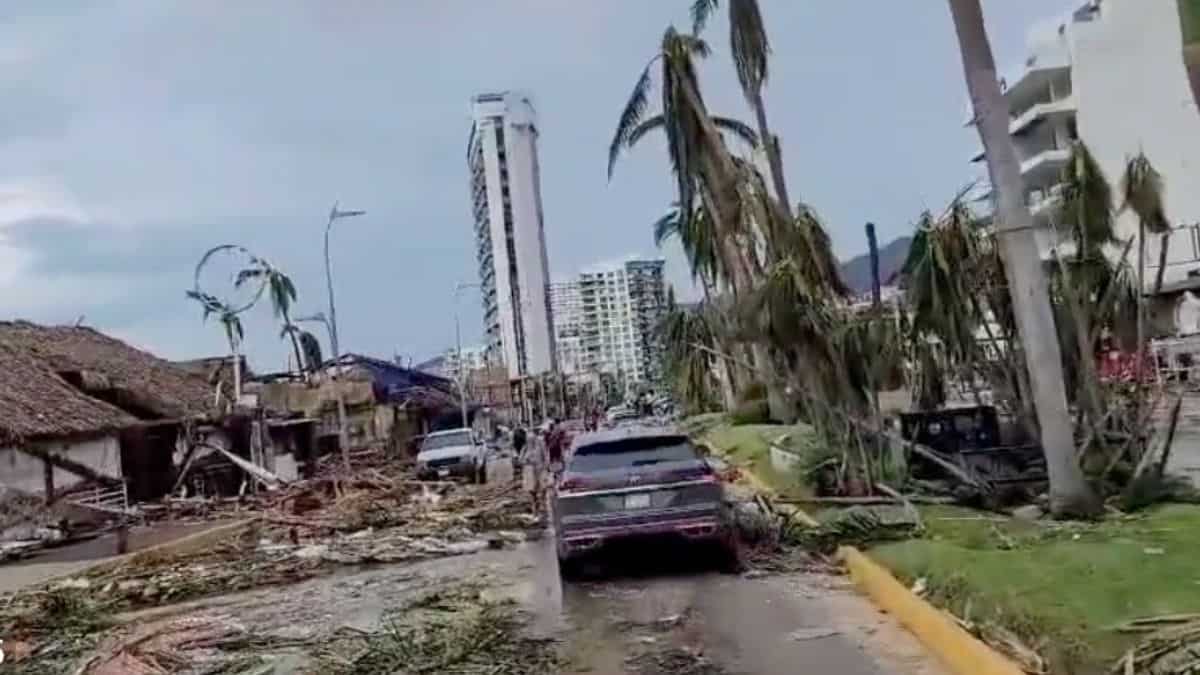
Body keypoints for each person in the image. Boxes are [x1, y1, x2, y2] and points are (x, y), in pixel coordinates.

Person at [520, 428, 548, 517]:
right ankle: (535, 510)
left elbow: (545, 456)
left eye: (532, 439)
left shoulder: (540, 445)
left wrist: (545, 467)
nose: (530, 441)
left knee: (543, 489)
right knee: (533, 493)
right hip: (530, 474)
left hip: (540, 471)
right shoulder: (525, 449)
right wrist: (527, 460)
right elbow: (521, 460)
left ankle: (543, 506)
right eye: (529, 440)